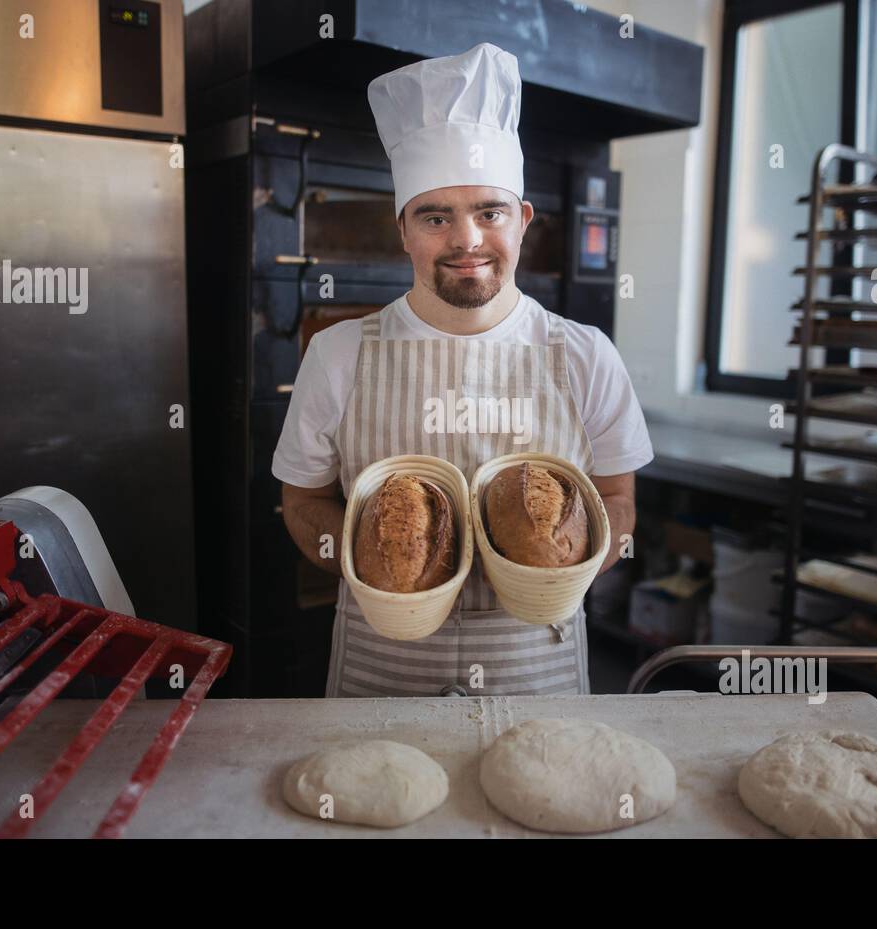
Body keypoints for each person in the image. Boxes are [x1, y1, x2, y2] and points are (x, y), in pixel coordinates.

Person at [272, 43, 653, 697]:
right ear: (403, 230)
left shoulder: (586, 354)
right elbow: (302, 502)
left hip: (536, 665)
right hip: (381, 663)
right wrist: (371, 569)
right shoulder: (338, 353)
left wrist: (564, 572)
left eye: (489, 211)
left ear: (523, 221)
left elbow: (617, 499)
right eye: (435, 216)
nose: (466, 239)